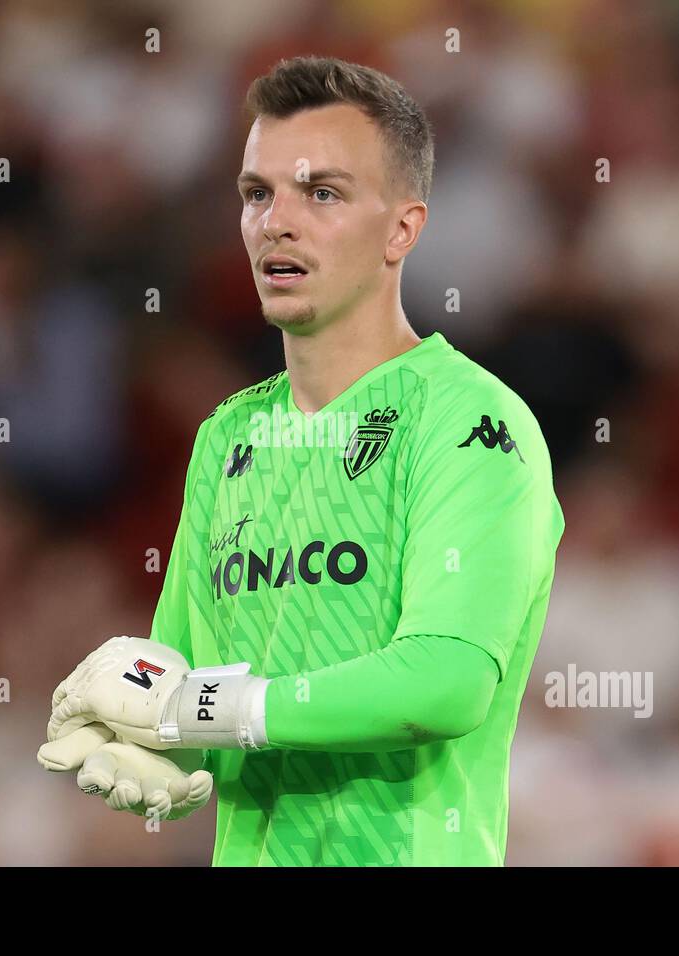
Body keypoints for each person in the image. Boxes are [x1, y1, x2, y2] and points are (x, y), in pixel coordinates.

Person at [41, 55, 564, 867]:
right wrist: (140, 740)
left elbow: (447, 681)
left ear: (402, 228)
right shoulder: (228, 439)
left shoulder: (470, 419)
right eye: (258, 194)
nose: (276, 222)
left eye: (321, 193)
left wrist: (206, 709)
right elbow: (189, 697)